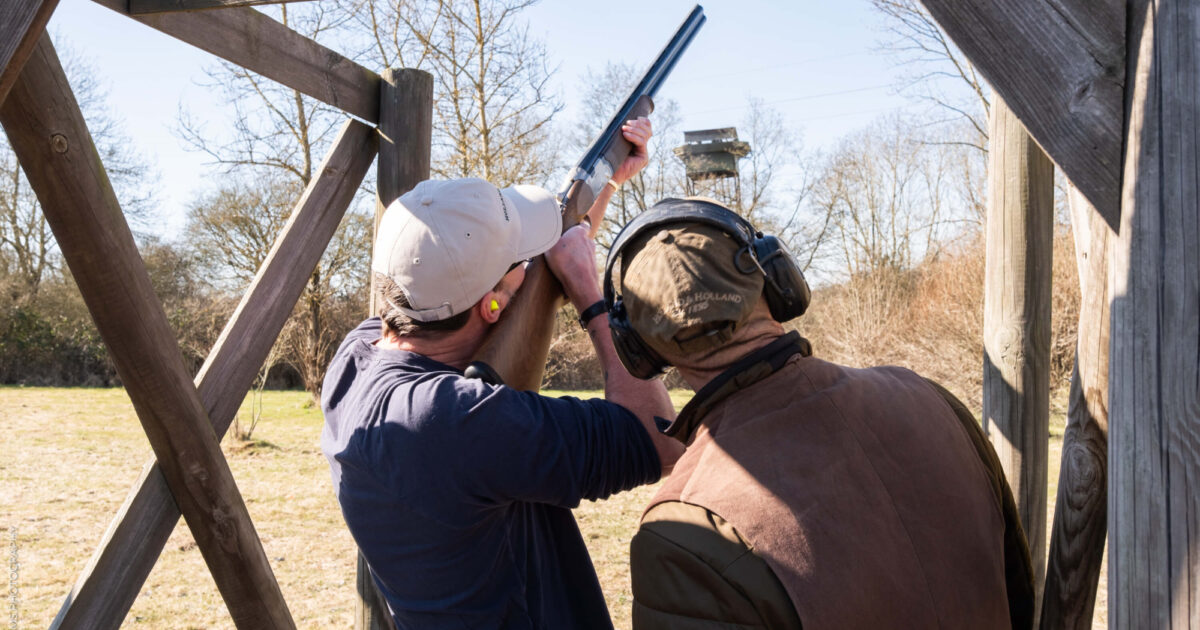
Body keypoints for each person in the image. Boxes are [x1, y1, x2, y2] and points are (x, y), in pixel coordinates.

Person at [601, 197, 1036, 629]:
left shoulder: (685, 530)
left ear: (637, 350)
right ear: (778, 281)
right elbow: (1017, 593)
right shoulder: (933, 400)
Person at [320, 118, 682, 629]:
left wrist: (606, 183)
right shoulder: (456, 421)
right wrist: (591, 296)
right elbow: (659, 439)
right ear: (492, 305)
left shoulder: (354, 360)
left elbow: (525, 281)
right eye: (518, 261)